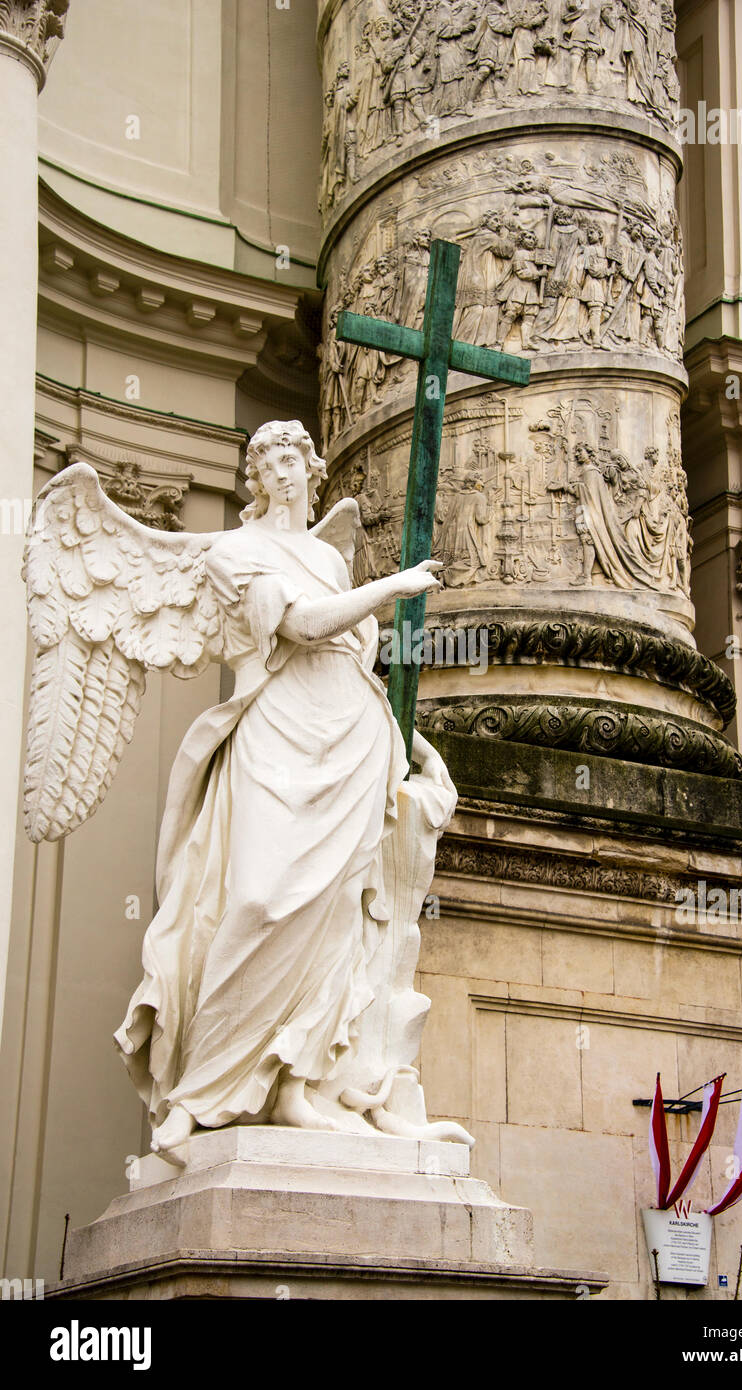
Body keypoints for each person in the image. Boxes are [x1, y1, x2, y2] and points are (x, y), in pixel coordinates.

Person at [115, 421, 448, 1156]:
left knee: (335, 913)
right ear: (254, 480)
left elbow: (360, 665)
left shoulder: (328, 554)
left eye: (293, 460)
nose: (283, 474)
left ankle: (296, 1084)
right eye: (268, 463)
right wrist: (392, 586)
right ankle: (201, 1088)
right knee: (259, 898)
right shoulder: (236, 552)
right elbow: (297, 626)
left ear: (310, 470)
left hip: (351, 733)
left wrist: (409, 745)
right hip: (279, 729)